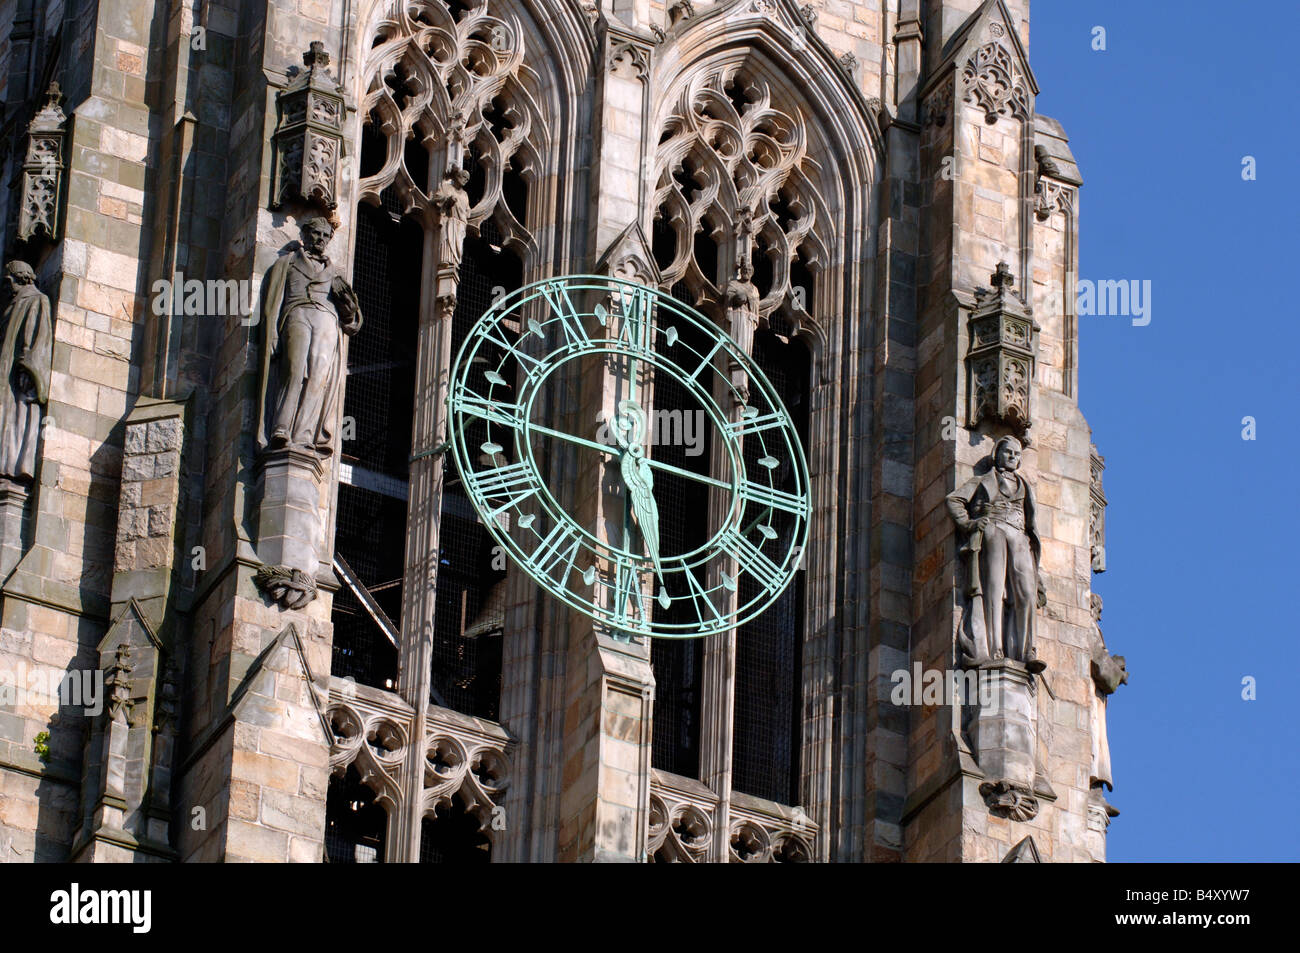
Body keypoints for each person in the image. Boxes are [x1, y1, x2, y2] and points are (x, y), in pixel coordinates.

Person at [256, 217, 362, 456]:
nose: (321, 239)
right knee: (294, 370)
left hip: (326, 320)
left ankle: (304, 435)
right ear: (305, 235)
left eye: (325, 235)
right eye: (316, 233)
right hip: (297, 314)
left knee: (318, 376)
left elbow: (352, 322)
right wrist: (272, 333)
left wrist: (348, 304)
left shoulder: (334, 273)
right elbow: (272, 303)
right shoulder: (287, 262)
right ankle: (281, 428)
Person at [946, 435, 1046, 669]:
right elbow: (954, 500)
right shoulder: (983, 481)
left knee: (1027, 593)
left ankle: (1027, 651)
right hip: (993, 530)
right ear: (997, 455)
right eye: (1008, 452)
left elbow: (1031, 524)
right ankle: (995, 650)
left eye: (1017, 454)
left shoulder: (1024, 486)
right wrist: (970, 524)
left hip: (1019, 536)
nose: (1012, 457)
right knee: (993, 589)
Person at [0, 261, 52, 482]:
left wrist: (29, 368)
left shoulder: (36, 299)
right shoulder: (14, 303)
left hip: (19, 377)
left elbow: (40, 337)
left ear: (18, 279)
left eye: (8, 281)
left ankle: (12, 468)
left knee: (17, 418)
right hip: (6, 375)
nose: (6, 287)